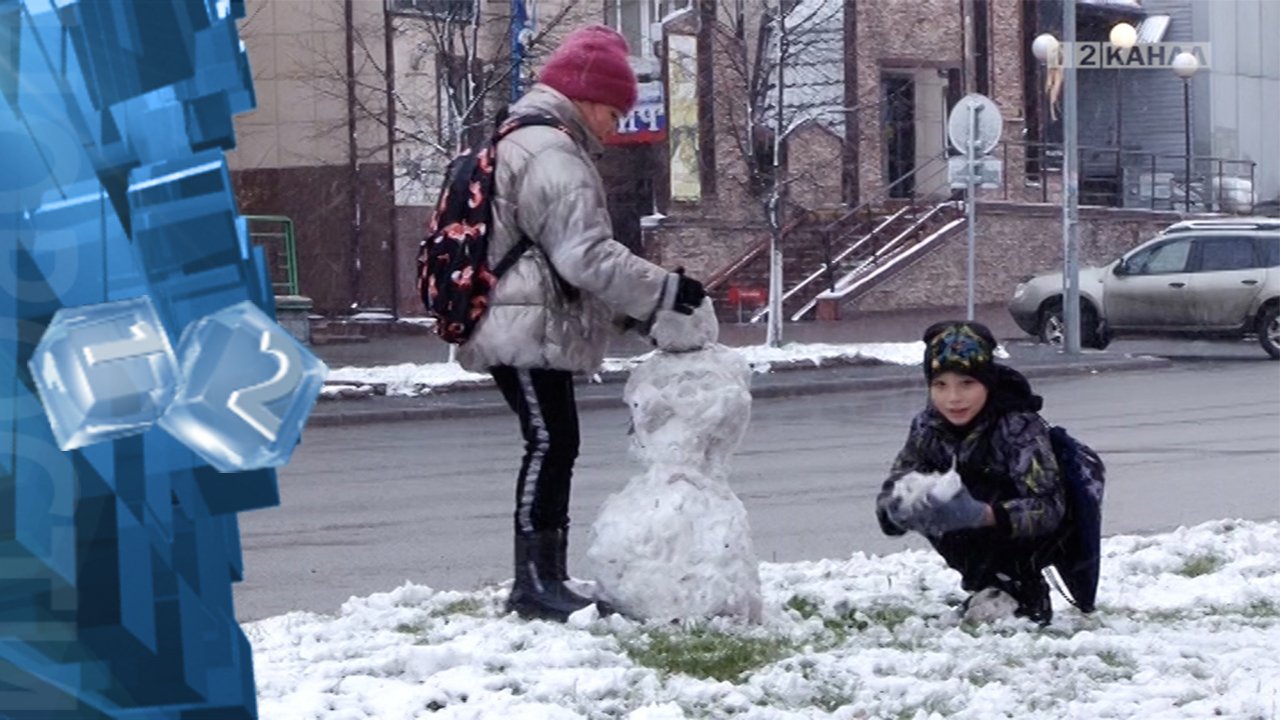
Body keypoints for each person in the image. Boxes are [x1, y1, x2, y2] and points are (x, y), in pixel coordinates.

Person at [455, 25, 706, 622]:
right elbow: (583, 256)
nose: (616, 127)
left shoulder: (532, 139)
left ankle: (545, 578)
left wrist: (633, 312)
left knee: (554, 442)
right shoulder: (551, 151)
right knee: (550, 443)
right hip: (520, 325)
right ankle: (534, 584)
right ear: (589, 98)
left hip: (524, 317)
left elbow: (557, 259)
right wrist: (665, 290)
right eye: (615, 113)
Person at [875, 321, 1066, 625]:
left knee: (972, 488)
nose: (953, 398)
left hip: (1025, 539)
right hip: (971, 545)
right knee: (933, 496)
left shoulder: (1017, 426)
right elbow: (901, 475)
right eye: (941, 385)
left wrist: (984, 514)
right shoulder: (928, 426)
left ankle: (1022, 591)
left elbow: (1050, 507)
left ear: (986, 382)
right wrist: (896, 508)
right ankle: (987, 586)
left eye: (966, 383)